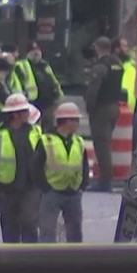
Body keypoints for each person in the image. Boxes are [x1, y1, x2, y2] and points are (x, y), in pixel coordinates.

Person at [0, 93, 42, 243]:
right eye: (24, 111)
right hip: (6, 188)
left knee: (29, 221)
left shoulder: (35, 131)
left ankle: (30, 258)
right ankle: (11, 260)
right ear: (15, 114)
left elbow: (43, 157)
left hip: (31, 185)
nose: (28, 114)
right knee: (10, 226)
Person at [36, 102, 89, 243]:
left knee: (75, 231)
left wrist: (82, 186)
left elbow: (84, 165)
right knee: (47, 230)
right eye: (75, 120)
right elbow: (36, 167)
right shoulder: (46, 141)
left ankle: (74, 260)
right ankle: (47, 261)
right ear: (66, 121)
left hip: (73, 192)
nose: (78, 123)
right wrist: (45, 188)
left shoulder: (78, 141)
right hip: (52, 192)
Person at [84, 36, 123, 192]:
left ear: (97, 48)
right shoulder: (117, 64)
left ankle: (105, 182)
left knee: (101, 146)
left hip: (101, 109)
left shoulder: (100, 68)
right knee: (106, 144)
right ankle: (105, 178)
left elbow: (92, 92)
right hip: (114, 107)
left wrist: (89, 108)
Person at [12, 41, 64, 129]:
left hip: (48, 102)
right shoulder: (21, 65)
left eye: (38, 50)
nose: (36, 52)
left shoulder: (44, 64)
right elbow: (17, 84)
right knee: (33, 127)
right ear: (28, 53)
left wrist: (58, 94)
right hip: (33, 102)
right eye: (32, 51)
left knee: (48, 127)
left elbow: (52, 79)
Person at [113, 37, 137, 111]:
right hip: (118, 105)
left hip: (132, 107)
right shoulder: (113, 65)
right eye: (124, 46)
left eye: (127, 46)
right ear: (116, 49)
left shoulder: (131, 65)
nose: (126, 49)